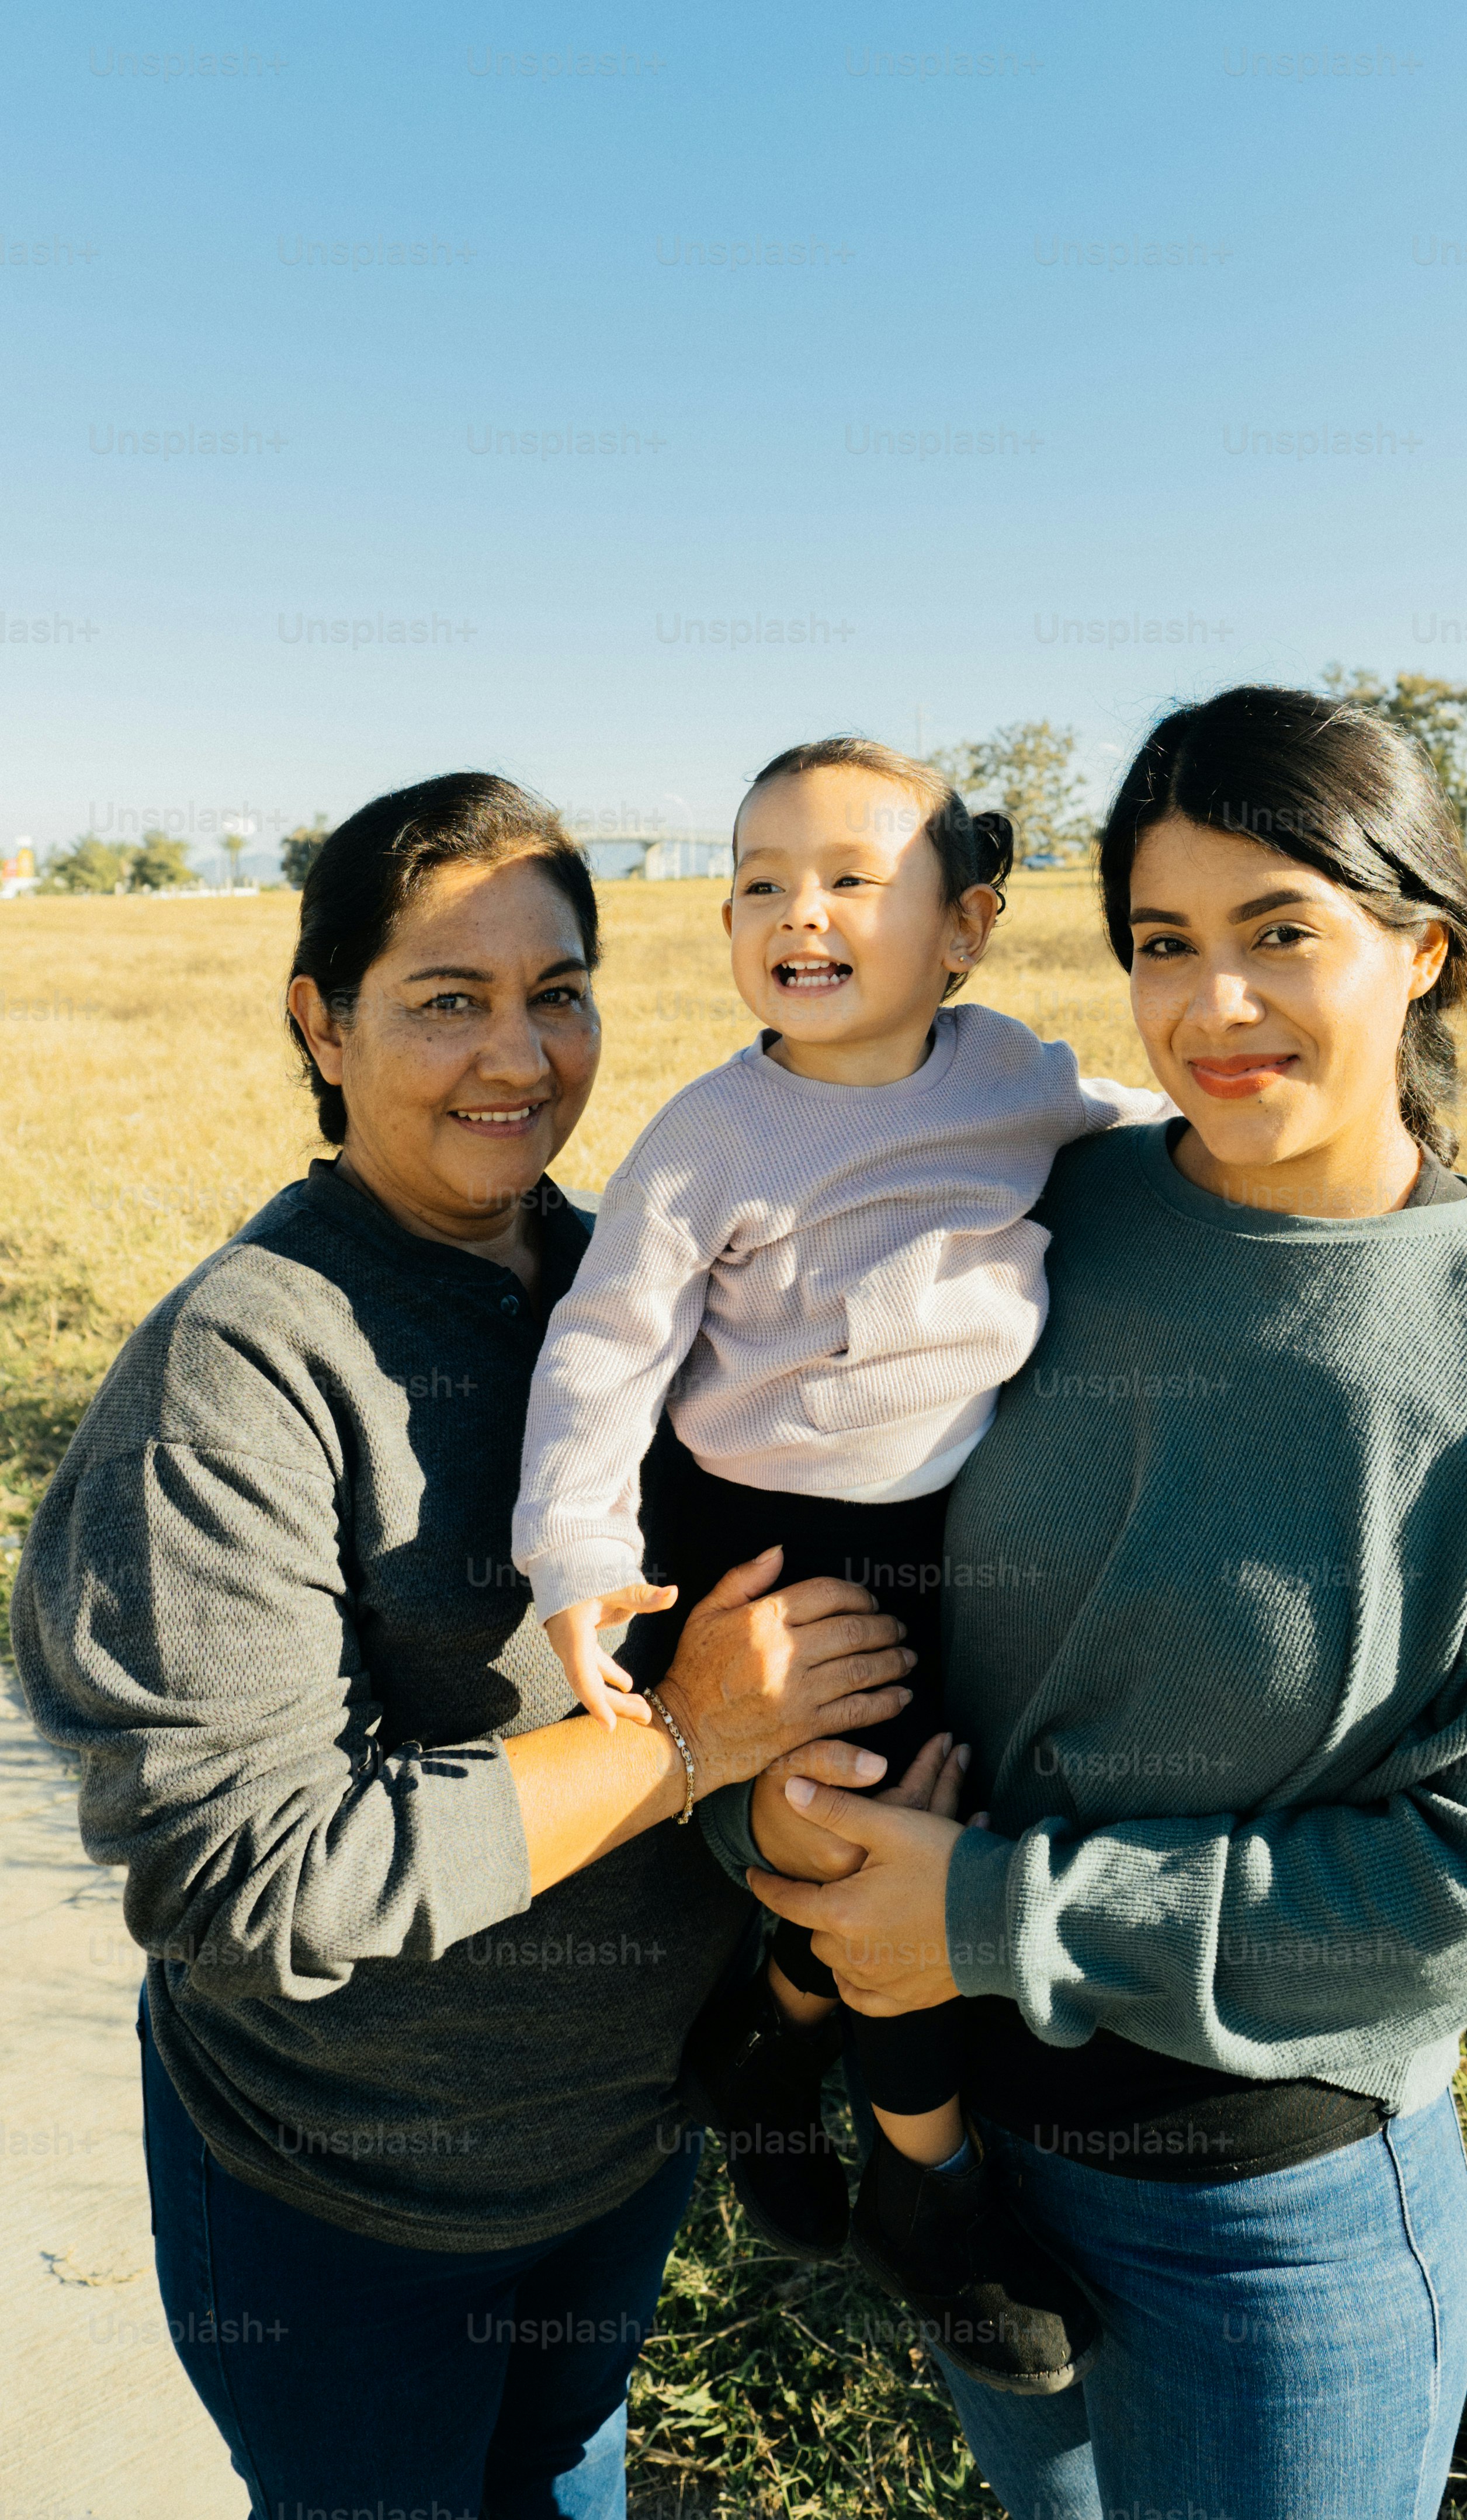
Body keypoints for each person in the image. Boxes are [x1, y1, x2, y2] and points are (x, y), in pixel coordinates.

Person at [740, 686, 1467, 2518]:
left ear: (1422, 950)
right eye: (1162, 942)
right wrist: (761, 1786)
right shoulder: (1025, 1215)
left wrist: (987, 1914)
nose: (1210, 1004)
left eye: (1278, 933)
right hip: (966, 2161)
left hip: (1273, 2218)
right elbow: (808, 1515)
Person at [9, 772, 920, 2520]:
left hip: (620, 2156)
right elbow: (250, 1880)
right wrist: (684, 1740)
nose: (518, 1056)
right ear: (321, 1023)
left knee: (569, 2485)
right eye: (446, 999)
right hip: (341, 2212)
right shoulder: (241, 1372)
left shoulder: (639, 1285)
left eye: (557, 993)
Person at [512, 736, 1168, 2389]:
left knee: (961, 1801)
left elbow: (1133, 1118)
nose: (795, 913)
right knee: (888, 1835)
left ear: (965, 927)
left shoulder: (1007, 1073)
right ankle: (923, 2191)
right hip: (778, 1543)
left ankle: (773, 2044)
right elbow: (605, 1347)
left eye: (849, 880)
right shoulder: (712, 1137)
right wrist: (578, 1552)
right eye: (758, 884)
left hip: (955, 1533)